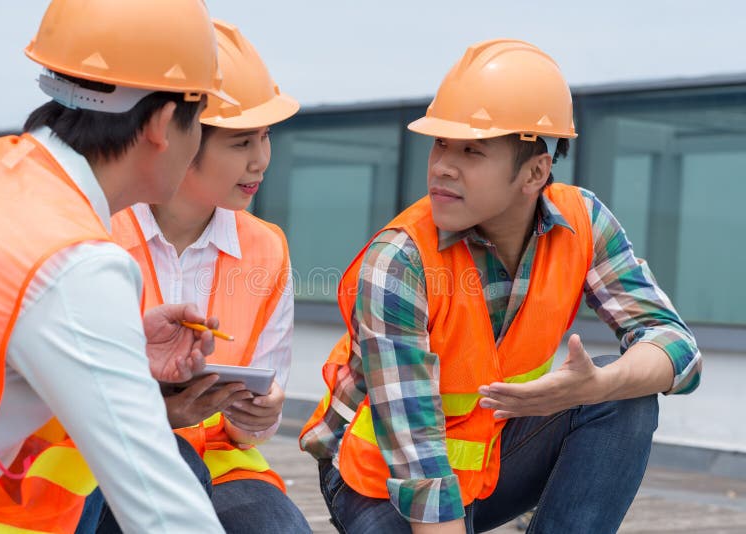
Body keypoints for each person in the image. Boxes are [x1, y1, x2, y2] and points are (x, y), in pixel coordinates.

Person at [299, 39, 702, 534]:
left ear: (535, 171)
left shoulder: (584, 223)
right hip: (380, 480)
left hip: (489, 459)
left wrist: (600, 384)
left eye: (471, 150)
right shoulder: (401, 261)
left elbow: (678, 347)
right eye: (441, 143)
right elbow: (418, 459)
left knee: (625, 398)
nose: (442, 165)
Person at [0, 1, 235, 532]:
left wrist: (119, 346)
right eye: (204, 122)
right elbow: (164, 510)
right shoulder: (72, 262)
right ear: (165, 122)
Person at [80, 19, 311, 533]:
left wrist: (260, 416)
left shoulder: (266, 247)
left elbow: (253, 432)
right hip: (108, 459)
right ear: (176, 135)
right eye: (240, 142)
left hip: (223, 463)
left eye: (266, 137)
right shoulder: (94, 232)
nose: (261, 161)